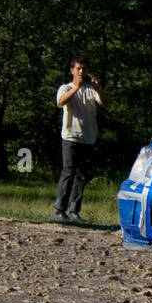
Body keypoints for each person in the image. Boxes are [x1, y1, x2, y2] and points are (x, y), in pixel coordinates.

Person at [53, 58, 103, 222]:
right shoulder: (66, 88)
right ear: (72, 71)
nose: (82, 72)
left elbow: (103, 102)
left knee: (82, 176)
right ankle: (60, 210)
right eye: (79, 69)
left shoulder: (91, 89)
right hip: (71, 137)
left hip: (88, 138)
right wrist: (77, 87)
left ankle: (74, 211)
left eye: (84, 69)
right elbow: (61, 102)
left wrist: (98, 88)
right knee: (68, 172)